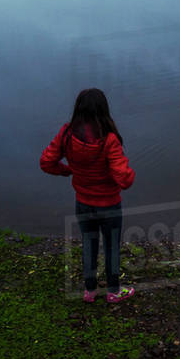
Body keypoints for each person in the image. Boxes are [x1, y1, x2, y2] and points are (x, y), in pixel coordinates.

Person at [40, 88, 136, 303]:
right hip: (109, 205)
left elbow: (46, 162)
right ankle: (113, 291)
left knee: (88, 244)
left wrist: (67, 170)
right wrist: (127, 171)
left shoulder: (66, 134)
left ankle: (90, 291)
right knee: (111, 247)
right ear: (104, 110)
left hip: (83, 202)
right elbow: (125, 180)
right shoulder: (108, 140)